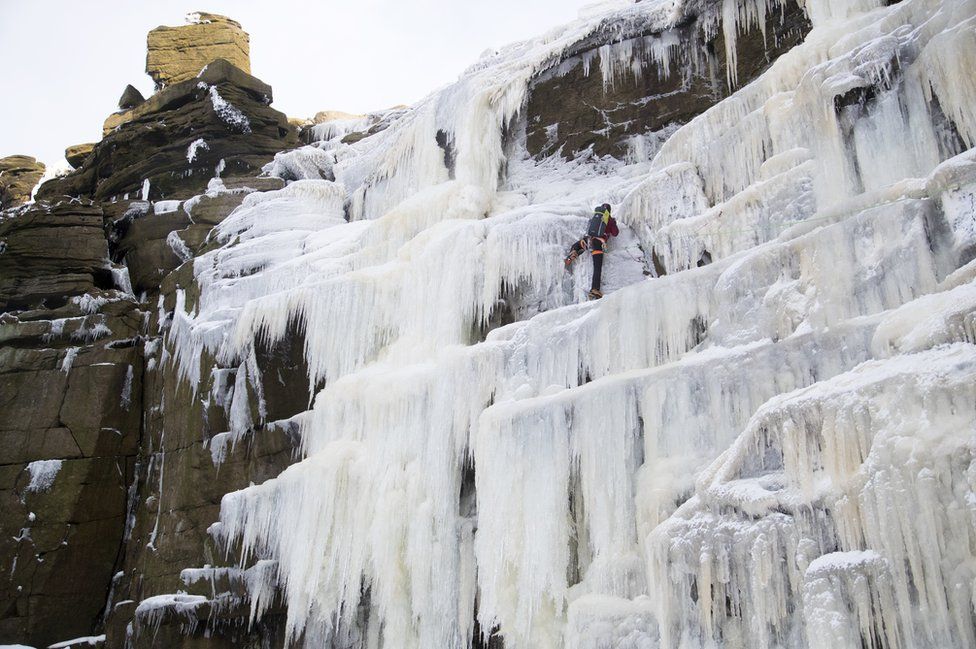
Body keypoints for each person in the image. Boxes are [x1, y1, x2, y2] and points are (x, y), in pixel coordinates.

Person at [564, 203, 619, 299]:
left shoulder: (596, 217)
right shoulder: (609, 220)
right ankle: (595, 289)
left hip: (588, 239)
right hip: (598, 243)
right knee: (597, 267)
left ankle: (574, 251)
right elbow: (615, 233)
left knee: (579, 244)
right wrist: (613, 223)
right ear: (609, 212)